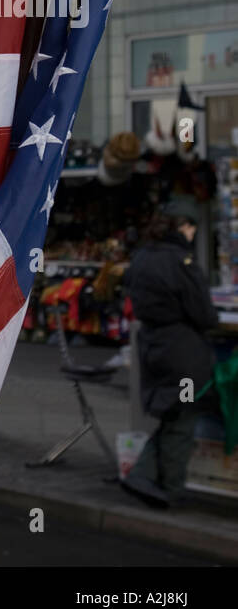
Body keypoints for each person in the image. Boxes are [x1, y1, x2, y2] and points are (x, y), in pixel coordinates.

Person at [121, 197, 219, 509]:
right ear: (185, 227)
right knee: (183, 418)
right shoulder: (182, 262)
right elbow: (205, 315)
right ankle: (170, 488)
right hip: (184, 354)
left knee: (173, 414)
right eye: (192, 228)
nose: (193, 234)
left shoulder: (142, 257)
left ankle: (143, 475)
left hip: (153, 348)